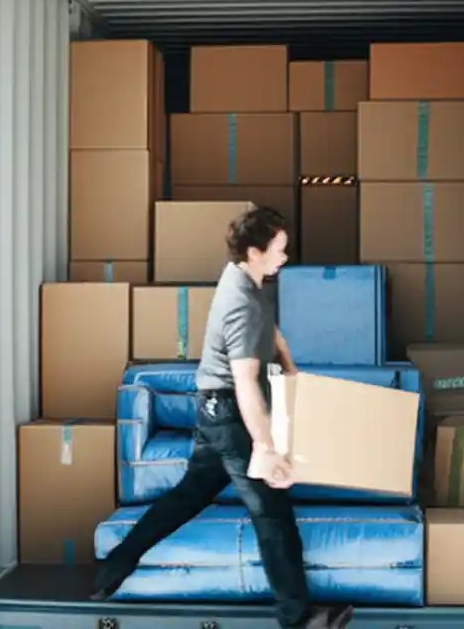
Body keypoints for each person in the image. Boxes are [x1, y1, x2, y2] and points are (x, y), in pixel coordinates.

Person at [91, 206, 353, 629]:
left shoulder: (240, 276)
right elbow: (246, 383)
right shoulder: (244, 302)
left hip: (213, 410)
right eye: (279, 250)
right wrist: (265, 448)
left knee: (188, 497)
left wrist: (290, 368)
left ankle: (112, 569)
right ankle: (299, 617)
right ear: (254, 251)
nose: (285, 258)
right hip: (231, 412)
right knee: (272, 513)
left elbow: (269, 332)